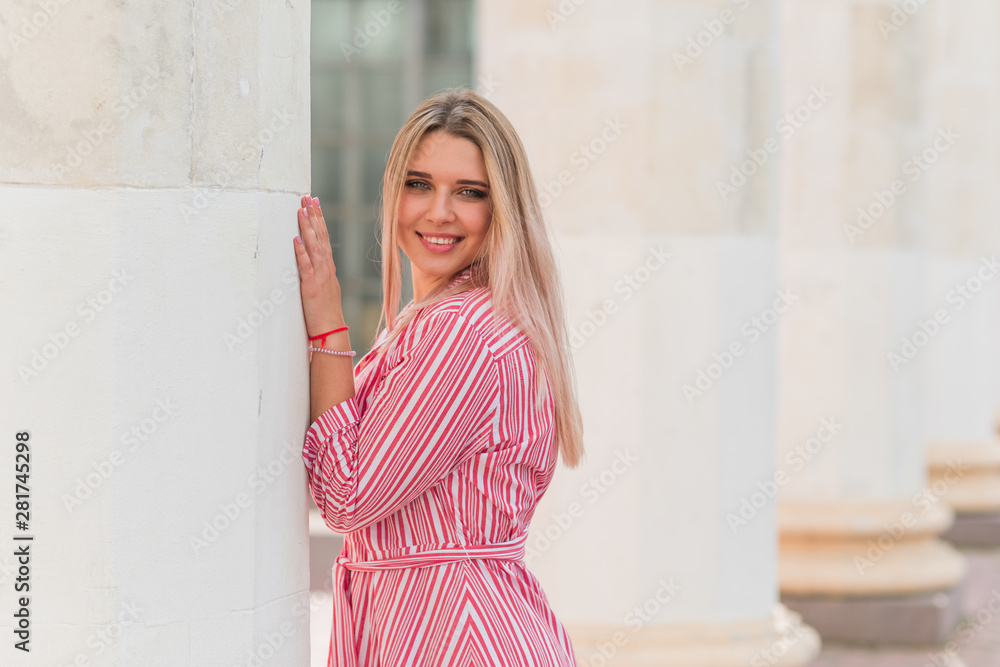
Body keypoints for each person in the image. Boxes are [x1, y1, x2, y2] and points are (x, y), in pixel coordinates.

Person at [293, 87, 585, 667]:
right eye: (419, 184)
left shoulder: (462, 332)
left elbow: (349, 497)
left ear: (501, 208)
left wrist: (327, 324)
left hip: (456, 637)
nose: (439, 212)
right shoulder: (454, 320)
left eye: (469, 193)